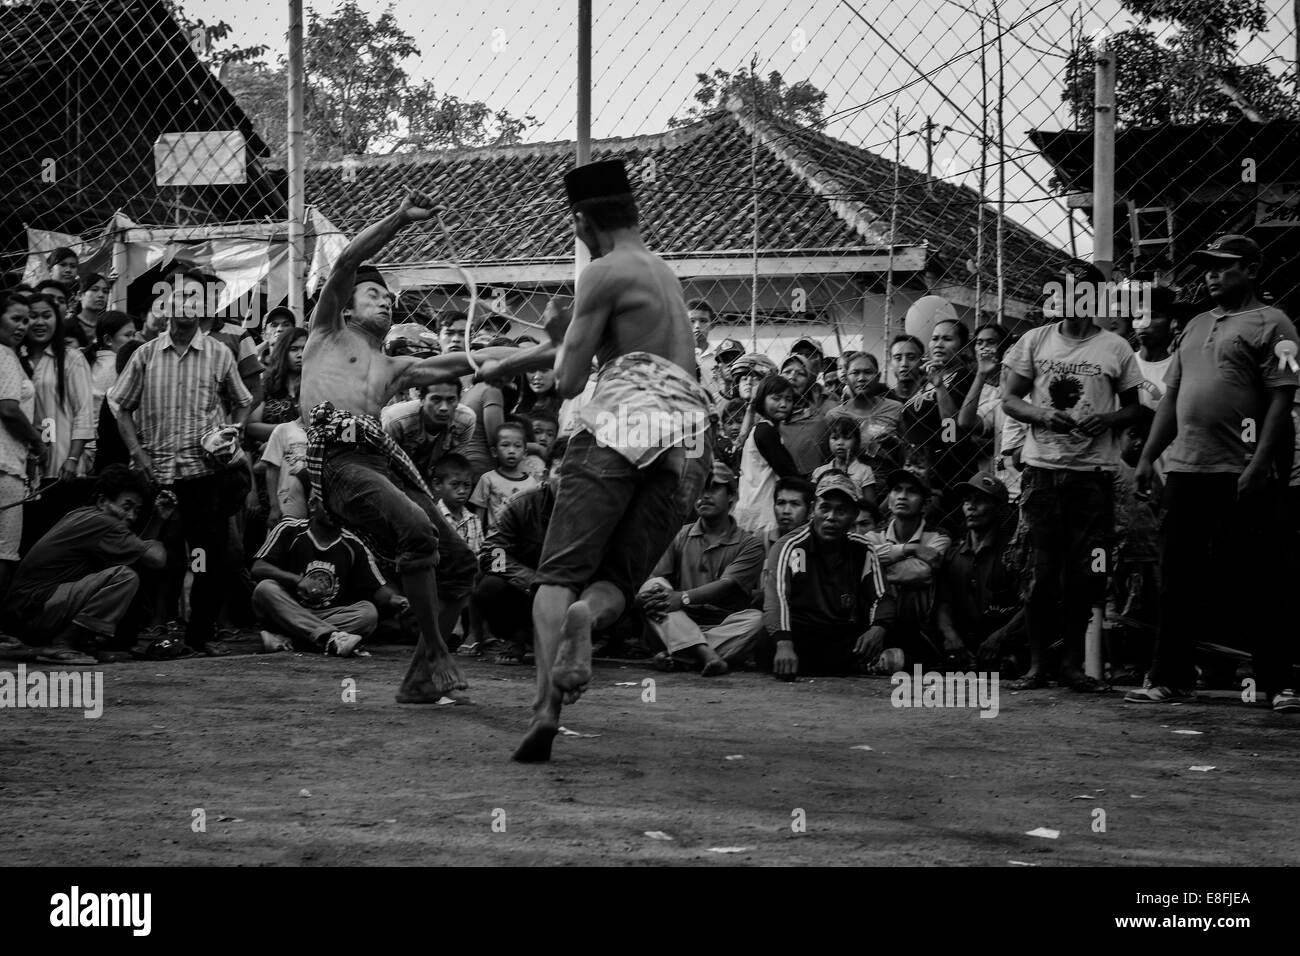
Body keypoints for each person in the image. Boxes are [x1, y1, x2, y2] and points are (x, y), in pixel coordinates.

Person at [472, 159, 714, 761]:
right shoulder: (662, 272)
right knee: (617, 584)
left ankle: (544, 710)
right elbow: (615, 345)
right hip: (686, 433)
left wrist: (554, 336)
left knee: (557, 576)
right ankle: (587, 618)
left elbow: (571, 376)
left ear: (582, 220)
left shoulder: (600, 273)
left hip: (624, 418)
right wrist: (509, 363)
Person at [299, 190, 519, 706]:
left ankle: (421, 677)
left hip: (376, 465)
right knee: (418, 532)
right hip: (338, 464)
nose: (383, 299)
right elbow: (350, 258)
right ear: (347, 303)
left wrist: (557, 347)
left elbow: (472, 359)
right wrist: (399, 217)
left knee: (462, 563)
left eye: (386, 297)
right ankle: (439, 653)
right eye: (372, 293)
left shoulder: (394, 368)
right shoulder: (326, 333)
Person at [1127, 235, 1300, 711]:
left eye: (1224, 267)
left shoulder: (1275, 324)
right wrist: (1148, 457)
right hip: (1186, 468)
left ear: (1251, 269)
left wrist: (1261, 464)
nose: (1211, 274)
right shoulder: (1197, 325)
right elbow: (1172, 398)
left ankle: (1278, 683)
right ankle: (1169, 677)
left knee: (1262, 577)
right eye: (1207, 267)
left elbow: (1281, 401)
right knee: (1177, 576)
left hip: (1241, 469)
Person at [1002, 260, 1144, 692]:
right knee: (1040, 573)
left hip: (1092, 476)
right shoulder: (1034, 341)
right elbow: (1009, 399)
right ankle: (1037, 664)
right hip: (1042, 473)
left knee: (1086, 573)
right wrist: (1043, 414)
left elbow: (1136, 407)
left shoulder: (1115, 348)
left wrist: (1108, 419)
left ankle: (1072, 666)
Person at [108, 283, 255, 654]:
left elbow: (243, 401)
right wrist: (138, 455)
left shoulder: (219, 354)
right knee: (147, 555)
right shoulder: (144, 356)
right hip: (154, 476)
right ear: (166, 305)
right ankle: (128, 636)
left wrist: (231, 435)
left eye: (197, 299)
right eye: (181, 297)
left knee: (205, 557)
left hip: (202, 477)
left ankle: (199, 636)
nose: (189, 304)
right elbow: (120, 405)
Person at [3, 465, 170, 663]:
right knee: (124, 577)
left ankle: (76, 641)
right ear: (102, 501)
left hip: (29, 612)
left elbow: (138, 553)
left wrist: (156, 520)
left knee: (122, 573)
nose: (132, 516)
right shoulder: (103, 523)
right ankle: (63, 644)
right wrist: (156, 536)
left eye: (136, 510)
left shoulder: (82, 515)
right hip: (34, 612)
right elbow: (157, 559)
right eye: (126, 507)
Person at [758, 472, 892, 680]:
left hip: (840, 633)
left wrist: (878, 628)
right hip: (800, 633)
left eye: (841, 511)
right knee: (767, 637)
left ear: (854, 515)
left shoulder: (862, 550)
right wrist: (784, 643)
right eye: (825, 507)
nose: (831, 517)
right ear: (813, 510)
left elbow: (881, 595)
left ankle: (855, 661)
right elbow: (777, 598)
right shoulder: (792, 547)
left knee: (896, 633)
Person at [636, 462, 766, 675]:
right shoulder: (680, 535)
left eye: (713, 488)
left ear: (732, 497)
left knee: (756, 621)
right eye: (700, 489)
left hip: (723, 625)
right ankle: (706, 656)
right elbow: (654, 578)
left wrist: (683, 598)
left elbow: (727, 585)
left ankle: (681, 655)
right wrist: (644, 598)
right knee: (652, 586)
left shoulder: (750, 544)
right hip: (678, 620)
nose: (704, 495)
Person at [252, 483, 408, 656]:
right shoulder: (289, 529)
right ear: (312, 505)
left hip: (327, 615)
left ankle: (289, 640)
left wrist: (396, 599)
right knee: (265, 589)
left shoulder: (354, 545)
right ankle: (331, 638)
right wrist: (296, 580)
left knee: (368, 613)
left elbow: (376, 589)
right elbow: (258, 568)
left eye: (339, 506)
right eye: (329, 505)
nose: (335, 511)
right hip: (288, 609)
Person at [472, 437, 568, 663]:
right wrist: (532, 580)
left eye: (576, 474)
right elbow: (490, 553)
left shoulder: (596, 509)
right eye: (561, 471)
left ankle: (579, 639)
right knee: (489, 585)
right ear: (546, 475)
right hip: (526, 590)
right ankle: (516, 637)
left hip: (571, 588)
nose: (567, 481)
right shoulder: (521, 504)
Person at [21, 292, 95, 550]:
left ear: (57, 319)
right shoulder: (15, 358)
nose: (39, 322)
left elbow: (84, 411)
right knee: (27, 541)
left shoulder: (71, 358)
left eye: (46, 315)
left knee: (58, 542)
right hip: (24, 467)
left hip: (63, 465)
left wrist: (73, 458)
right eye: (32, 316)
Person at [934, 472, 1026, 673]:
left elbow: (1029, 606)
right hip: (964, 651)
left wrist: (1000, 637)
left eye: (980, 501)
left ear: (999, 509)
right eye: (967, 500)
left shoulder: (1012, 554)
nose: (970, 507)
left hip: (1003, 650)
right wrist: (951, 636)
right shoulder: (953, 555)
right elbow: (943, 603)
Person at [863, 468, 953, 670]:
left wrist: (879, 567)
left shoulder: (938, 536)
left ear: (925, 503)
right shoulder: (873, 536)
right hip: (876, 622)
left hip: (920, 626)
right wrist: (909, 549)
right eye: (897, 490)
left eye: (911, 491)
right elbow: (863, 558)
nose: (902, 496)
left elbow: (921, 572)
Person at [897, 319, 978, 519]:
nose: (939, 344)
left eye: (947, 339)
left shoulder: (963, 378)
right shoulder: (925, 381)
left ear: (963, 346)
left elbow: (951, 433)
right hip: (915, 472)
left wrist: (940, 386)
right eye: (935, 339)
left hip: (945, 474)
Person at [0, 292, 41, 595]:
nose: (22, 326)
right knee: (5, 549)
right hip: (5, 465)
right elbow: (9, 408)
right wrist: (37, 441)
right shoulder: (4, 355)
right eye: (15, 318)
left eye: (25, 320)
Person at [735, 373, 799, 535]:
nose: (783, 404)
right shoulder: (766, 432)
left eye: (788, 399)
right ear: (762, 399)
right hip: (762, 512)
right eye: (776, 398)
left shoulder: (762, 429)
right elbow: (787, 471)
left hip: (750, 506)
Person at [381, 377, 475, 481]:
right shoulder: (397, 421)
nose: (444, 407)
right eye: (436, 399)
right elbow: (383, 466)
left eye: (451, 400)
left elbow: (452, 466)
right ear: (421, 399)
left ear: (458, 400)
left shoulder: (466, 421)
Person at [957, 323, 1012, 479]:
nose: (984, 347)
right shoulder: (971, 384)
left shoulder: (1013, 384)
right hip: (977, 468)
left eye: (991, 342)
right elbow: (961, 428)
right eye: (979, 343)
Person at [470, 421, 539, 535]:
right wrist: (478, 539)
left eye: (517, 446)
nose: (511, 451)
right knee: (498, 553)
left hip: (521, 542)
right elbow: (479, 515)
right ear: (494, 452)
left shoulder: (531, 483)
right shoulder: (488, 479)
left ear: (525, 453)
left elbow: (533, 517)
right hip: (496, 540)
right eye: (505, 445)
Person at [247, 326, 307, 444]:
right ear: (283, 352)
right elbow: (251, 427)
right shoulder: (266, 384)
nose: (300, 354)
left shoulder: (317, 385)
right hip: (269, 455)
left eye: (305, 349)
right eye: (294, 349)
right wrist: (289, 430)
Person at [779, 352, 835, 474]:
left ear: (810, 381)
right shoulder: (768, 412)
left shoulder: (827, 409)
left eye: (801, 373)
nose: (792, 377)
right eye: (787, 372)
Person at [840, 350, 903, 451]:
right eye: (855, 372)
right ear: (846, 378)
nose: (861, 378)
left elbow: (907, 448)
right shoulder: (834, 415)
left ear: (878, 377)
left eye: (868, 372)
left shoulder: (897, 409)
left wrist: (893, 443)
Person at [812, 414, 876, 504]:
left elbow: (870, 505)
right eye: (835, 438)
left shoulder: (864, 471)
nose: (840, 443)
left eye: (847, 438)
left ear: (856, 441)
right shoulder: (819, 472)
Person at [74, 273, 111, 349]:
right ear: (80, 295)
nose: (101, 295)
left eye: (105, 291)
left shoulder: (106, 328)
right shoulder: (68, 326)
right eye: (95, 290)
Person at [887, 334, 926, 402]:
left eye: (911, 358)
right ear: (890, 364)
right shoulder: (883, 399)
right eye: (898, 358)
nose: (904, 364)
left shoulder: (931, 396)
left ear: (922, 361)